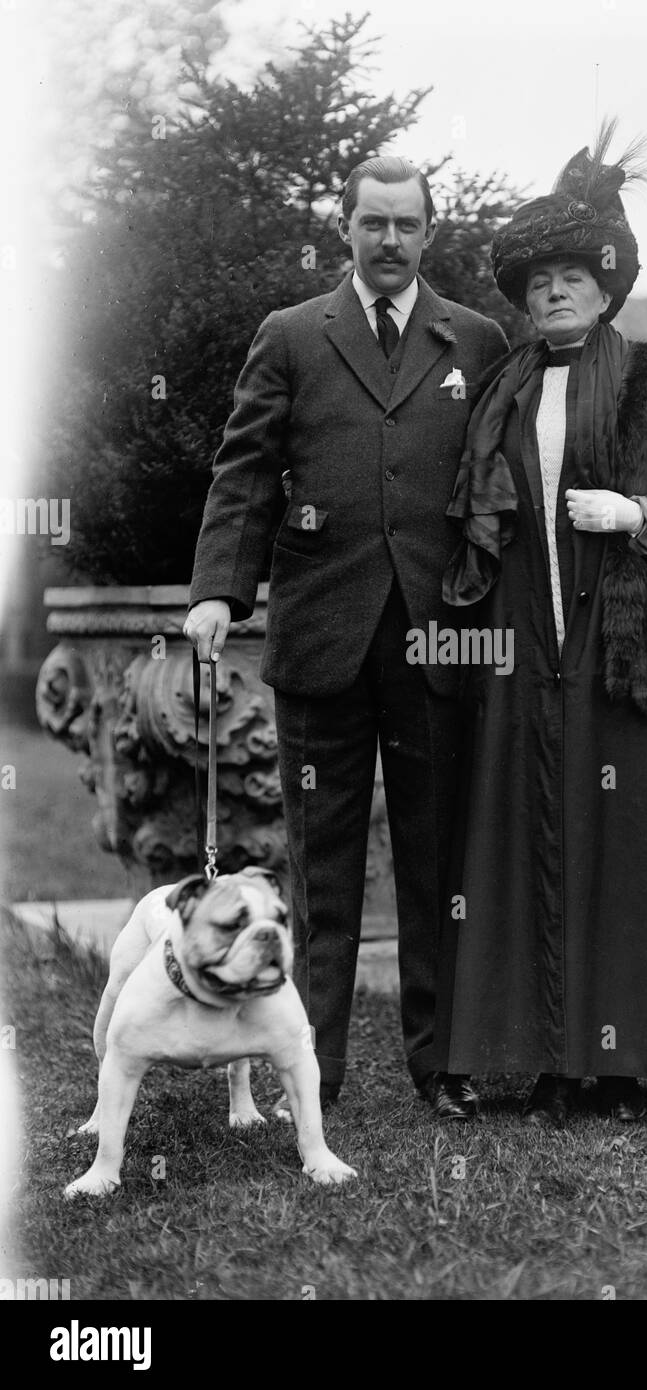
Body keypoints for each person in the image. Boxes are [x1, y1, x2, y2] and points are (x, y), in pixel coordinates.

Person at [184, 155, 508, 1120]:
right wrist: (216, 592)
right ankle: (306, 1070)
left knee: (436, 861)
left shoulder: (478, 340)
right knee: (320, 871)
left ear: (430, 232)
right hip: (323, 633)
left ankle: (441, 1065)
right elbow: (244, 472)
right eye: (375, 224)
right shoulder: (292, 336)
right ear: (347, 227)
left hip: (437, 640)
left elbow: (499, 486)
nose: (392, 242)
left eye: (408, 225)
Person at [436, 121, 647, 1127]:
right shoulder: (502, 391)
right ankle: (547, 1059)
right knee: (531, 834)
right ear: (519, 298)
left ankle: (623, 1064)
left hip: (623, 647)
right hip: (526, 646)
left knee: (625, 839)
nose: (553, 291)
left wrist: (639, 516)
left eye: (572, 276)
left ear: (606, 288)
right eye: (536, 281)